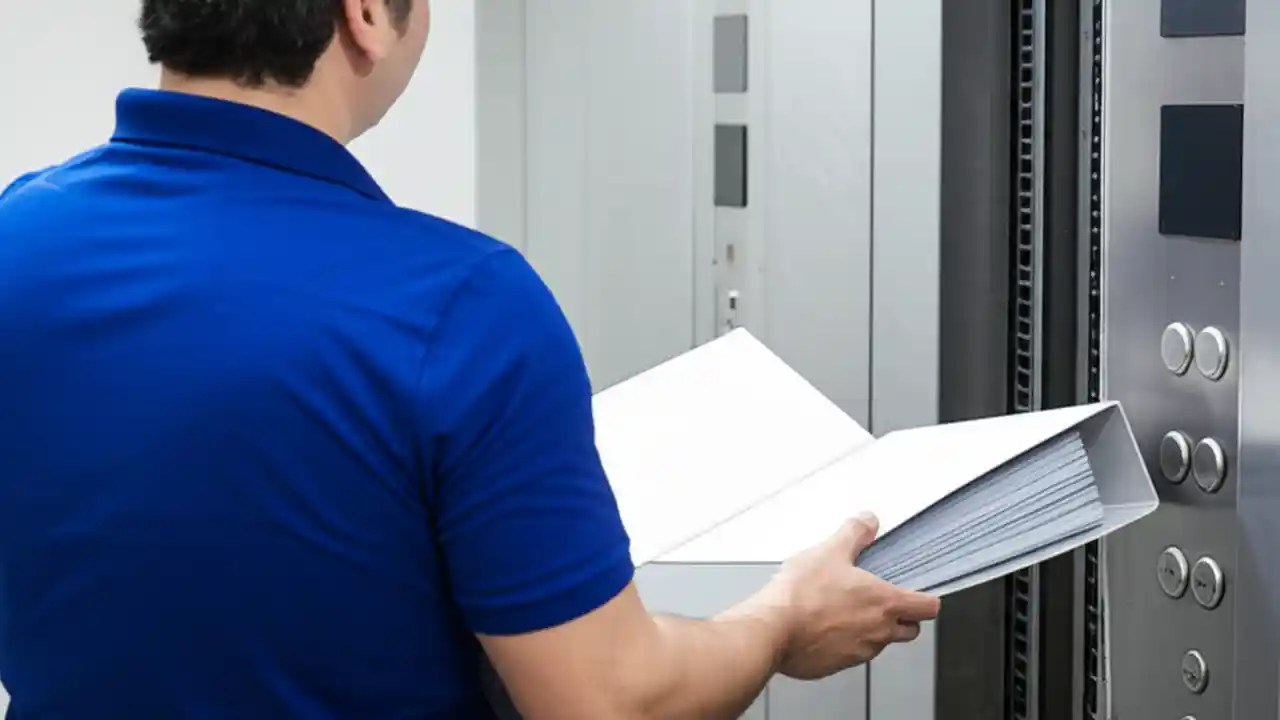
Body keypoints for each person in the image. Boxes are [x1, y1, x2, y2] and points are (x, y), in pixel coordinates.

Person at [0, 1, 940, 718]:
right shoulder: (458, 302)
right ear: (365, 14)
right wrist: (779, 619)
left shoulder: (14, 237)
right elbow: (606, 700)